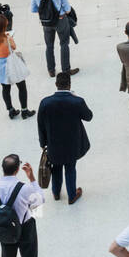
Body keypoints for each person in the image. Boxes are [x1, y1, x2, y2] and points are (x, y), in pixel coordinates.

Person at [36, 72, 90, 203]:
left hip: (53, 143)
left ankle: (56, 192)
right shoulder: (77, 101)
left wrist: (43, 143)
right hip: (73, 143)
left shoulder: (45, 103)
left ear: (56, 84)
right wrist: (76, 97)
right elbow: (89, 116)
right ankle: (72, 195)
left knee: (56, 168)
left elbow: (40, 124)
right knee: (70, 168)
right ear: (70, 84)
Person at [30, 0, 78, 76]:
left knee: (49, 45)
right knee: (64, 44)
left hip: (46, 23)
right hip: (60, 20)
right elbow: (67, 9)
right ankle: (66, 70)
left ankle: (51, 70)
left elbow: (33, 9)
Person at [0, 13, 33, 120]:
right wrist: (10, 38)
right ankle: (25, 111)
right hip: (11, 65)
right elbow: (14, 47)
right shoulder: (6, 38)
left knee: (5, 89)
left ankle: (11, 110)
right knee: (22, 86)